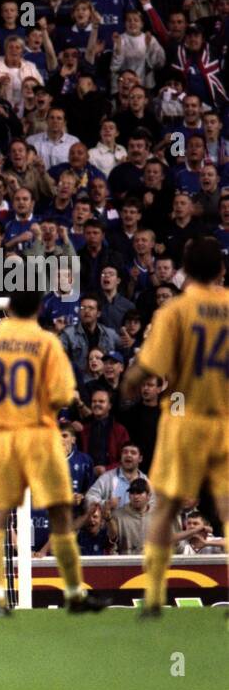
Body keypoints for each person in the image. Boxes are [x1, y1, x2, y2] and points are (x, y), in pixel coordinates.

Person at [0, 288, 108, 617]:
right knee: (60, 512)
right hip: (40, 436)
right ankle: (74, 592)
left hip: (1, 438)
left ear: (9, 307)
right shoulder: (46, 342)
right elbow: (61, 394)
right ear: (38, 309)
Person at [120, 237, 229, 618]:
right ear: (221, 270)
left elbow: (148, 369)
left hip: (184, 421)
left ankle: (152, 596)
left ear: (184, 271)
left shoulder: (174, 312)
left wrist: (129, 382)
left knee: (163, 506)